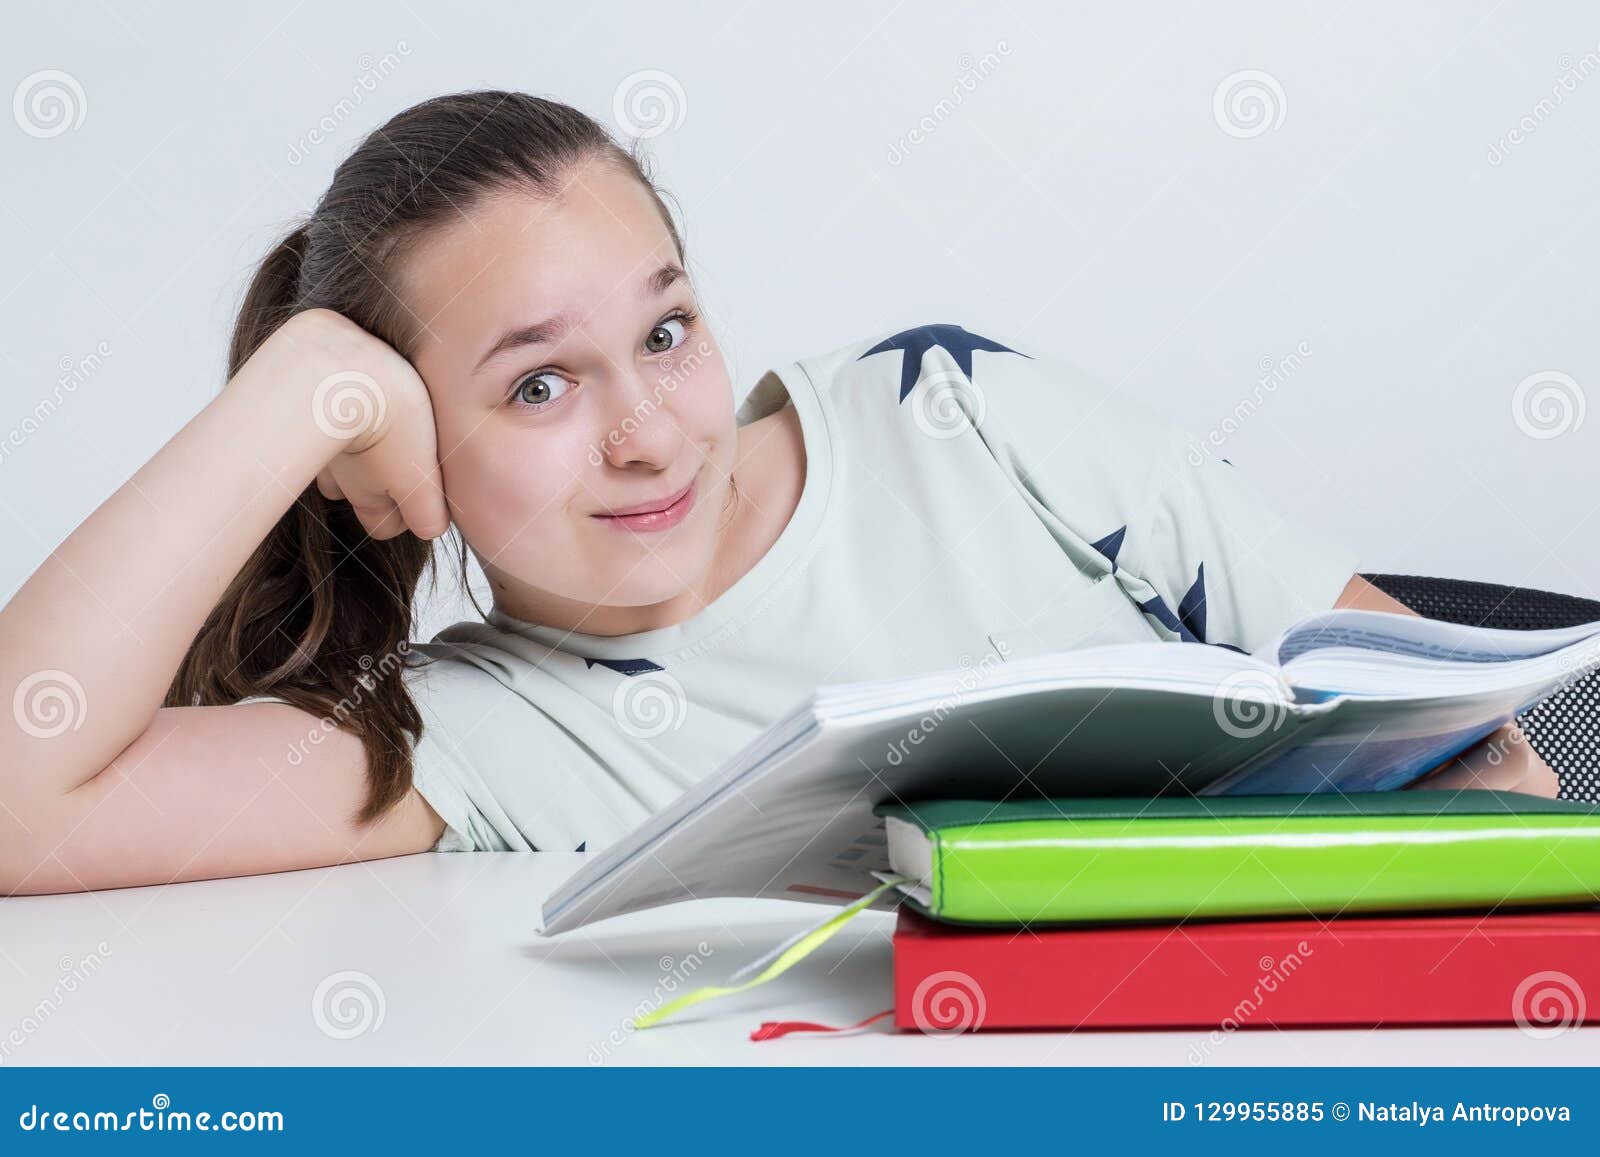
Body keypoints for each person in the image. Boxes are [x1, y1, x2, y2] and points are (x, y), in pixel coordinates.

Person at [0, 90, 1556, 897]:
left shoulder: (954, 413)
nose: (648, 432)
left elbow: (1459, 730)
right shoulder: (477, 737)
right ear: (411, 454)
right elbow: (21, 799)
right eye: (539, 384)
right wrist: (299, 394)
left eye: (665, 331)